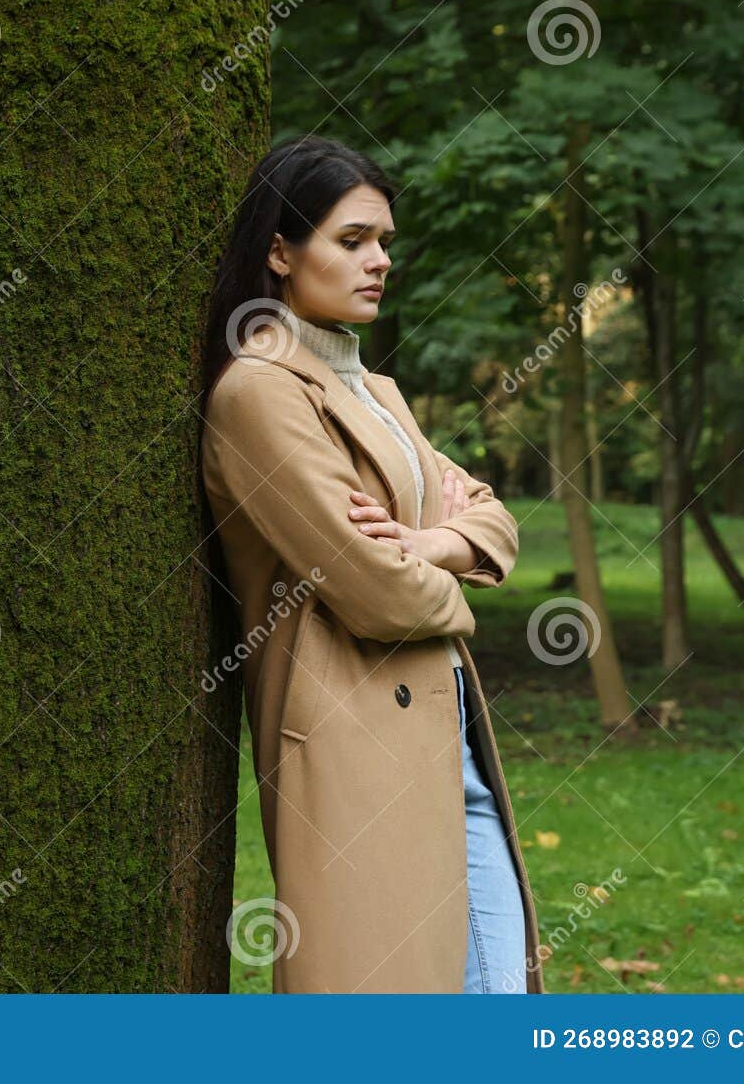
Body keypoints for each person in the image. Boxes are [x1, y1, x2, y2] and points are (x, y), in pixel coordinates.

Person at [200, 135, 542, 993]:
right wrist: (449, 576)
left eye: (385, 241)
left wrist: (430, 542)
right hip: (356, 746)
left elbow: (495, 519)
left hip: (448, 734)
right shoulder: (258, 393)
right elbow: (376, 592)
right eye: (352, 241)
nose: (379, 261)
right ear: (281, 251)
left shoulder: (378, 392)